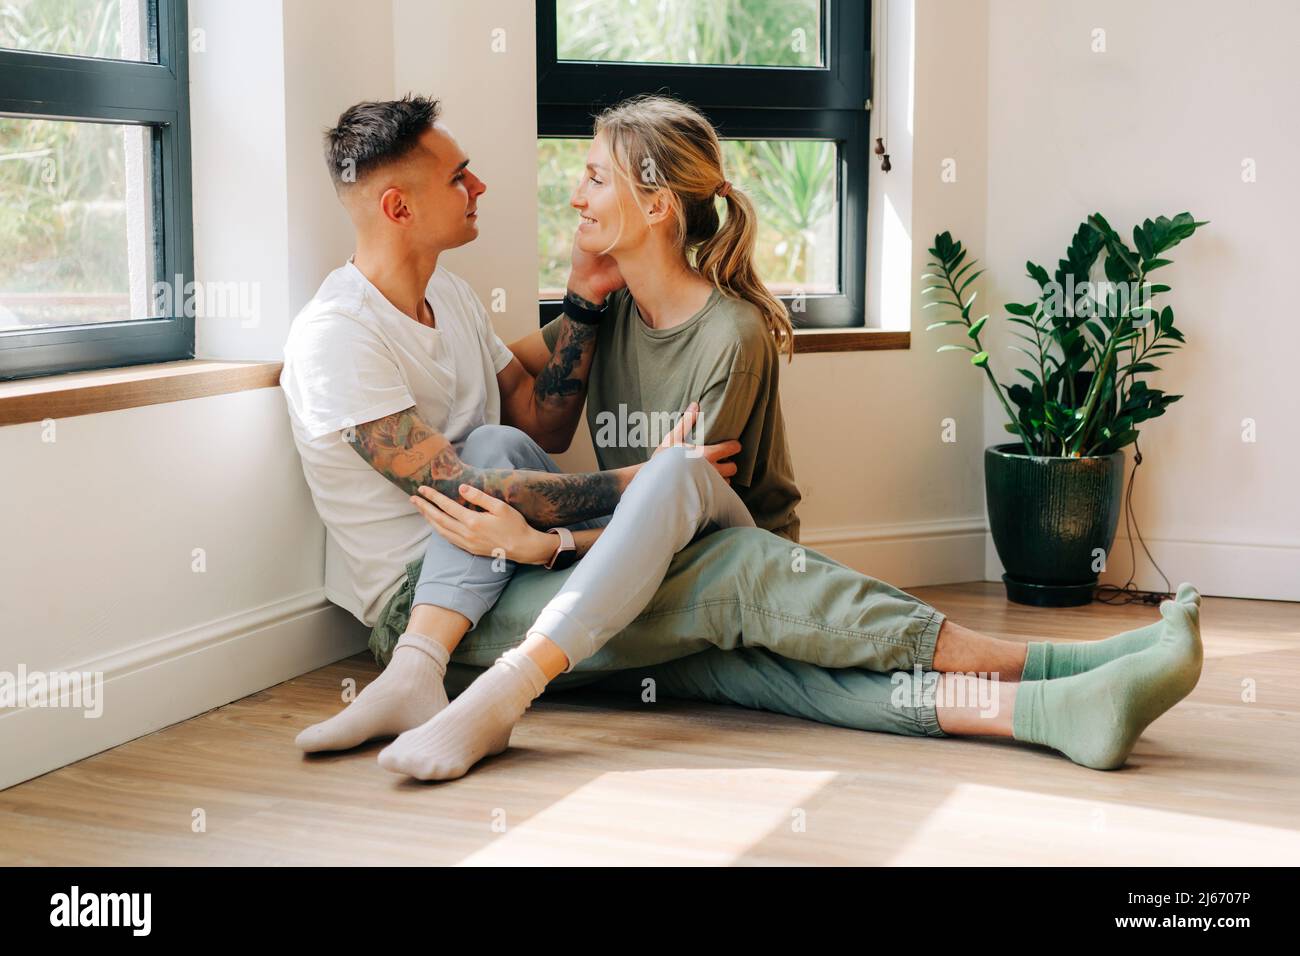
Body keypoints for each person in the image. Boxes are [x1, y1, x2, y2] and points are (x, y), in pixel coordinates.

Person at [285, 94, 1204, 782]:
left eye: (595, 176)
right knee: (724, 566)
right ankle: (1063, 666)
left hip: (540, 572)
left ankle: (1051, 709)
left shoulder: (451, 299)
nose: (492, 186)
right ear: (399, 207)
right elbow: (459, 480)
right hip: (443, 601)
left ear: (655, 203)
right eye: (457, 176)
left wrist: (580, 310)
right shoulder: (337, 336)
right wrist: (621, 494)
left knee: (753, 665)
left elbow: (534, 414)